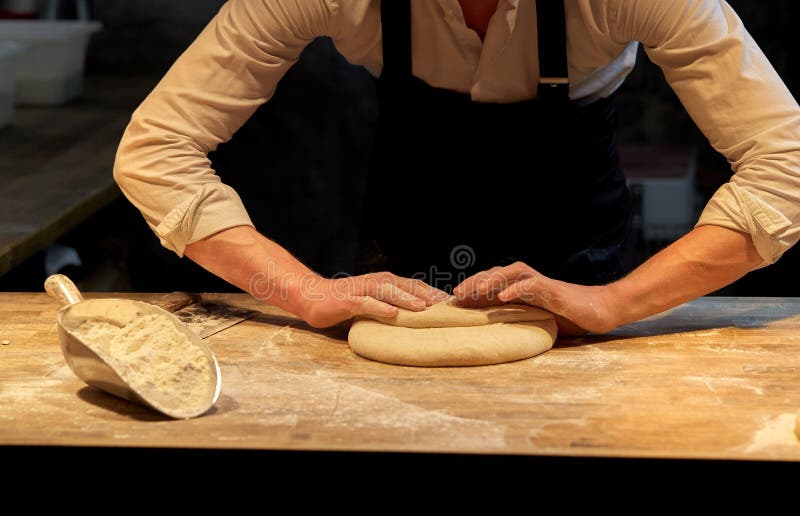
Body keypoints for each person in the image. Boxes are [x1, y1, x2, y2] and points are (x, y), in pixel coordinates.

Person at [114, 0, 800, 335]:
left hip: (584, 276)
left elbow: (787, 167)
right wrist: (299, 291)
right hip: (402, 287)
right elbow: (156, 151)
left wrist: (613, 303)